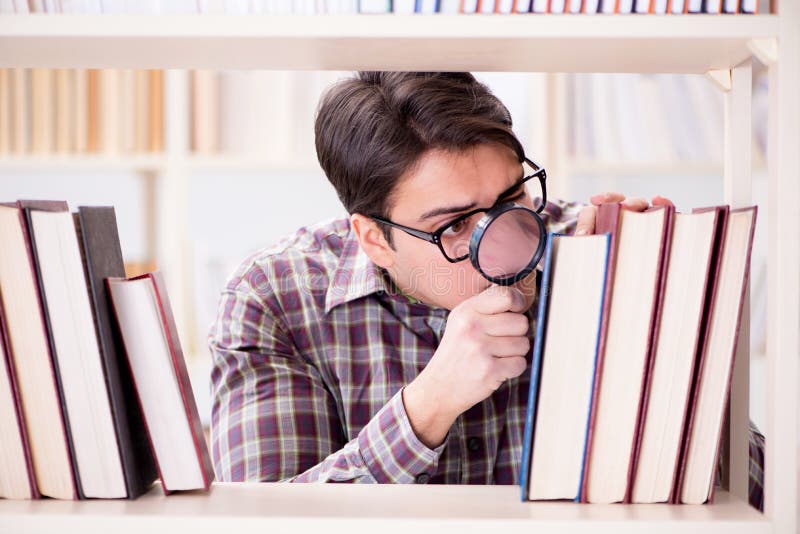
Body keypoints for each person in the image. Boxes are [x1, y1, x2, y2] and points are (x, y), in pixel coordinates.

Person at [208, 72, 763, 508]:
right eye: (453, 225)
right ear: (373, 238)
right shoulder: (272, 299)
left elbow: (760, 492)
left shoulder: (588, 250)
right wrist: (429, 404)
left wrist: (663, 324)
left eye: (512, 197)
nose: (509, 243)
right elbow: (261, 520)